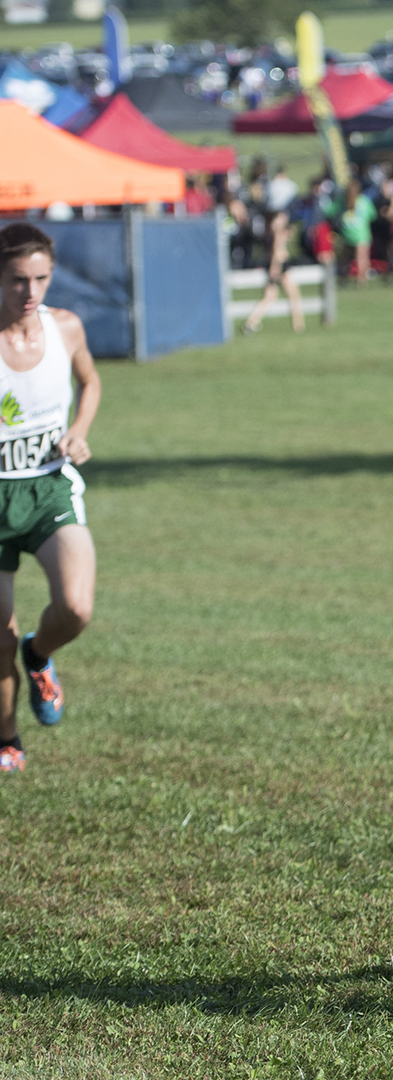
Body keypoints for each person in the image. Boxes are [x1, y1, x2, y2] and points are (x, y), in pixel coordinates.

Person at [0, 225, 103, 774]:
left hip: (47, 487)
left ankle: (39, 653)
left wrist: (79, 430)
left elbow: (91, 382)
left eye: (41, 278)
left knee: (78, 607)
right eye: (18, 280)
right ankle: (8, 739)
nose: (31, 292)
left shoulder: (65, 328)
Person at [242, 209, 305, 335]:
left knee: (269, 297)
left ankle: (251, 322)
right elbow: (276, 252)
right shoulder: (278, 233)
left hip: (276, 266)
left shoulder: (271, 232)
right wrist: (275, 269)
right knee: (293, 295)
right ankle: (298, 326)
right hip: (281, 267)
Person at [341, 179, 374, 286]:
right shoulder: (364, 201)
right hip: (362, 234)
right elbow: (372, 215)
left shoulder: (343, 200)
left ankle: (344, 278)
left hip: (347, 234)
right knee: (362, 259)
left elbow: (330, 210)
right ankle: (361, 280)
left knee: (345, 259)